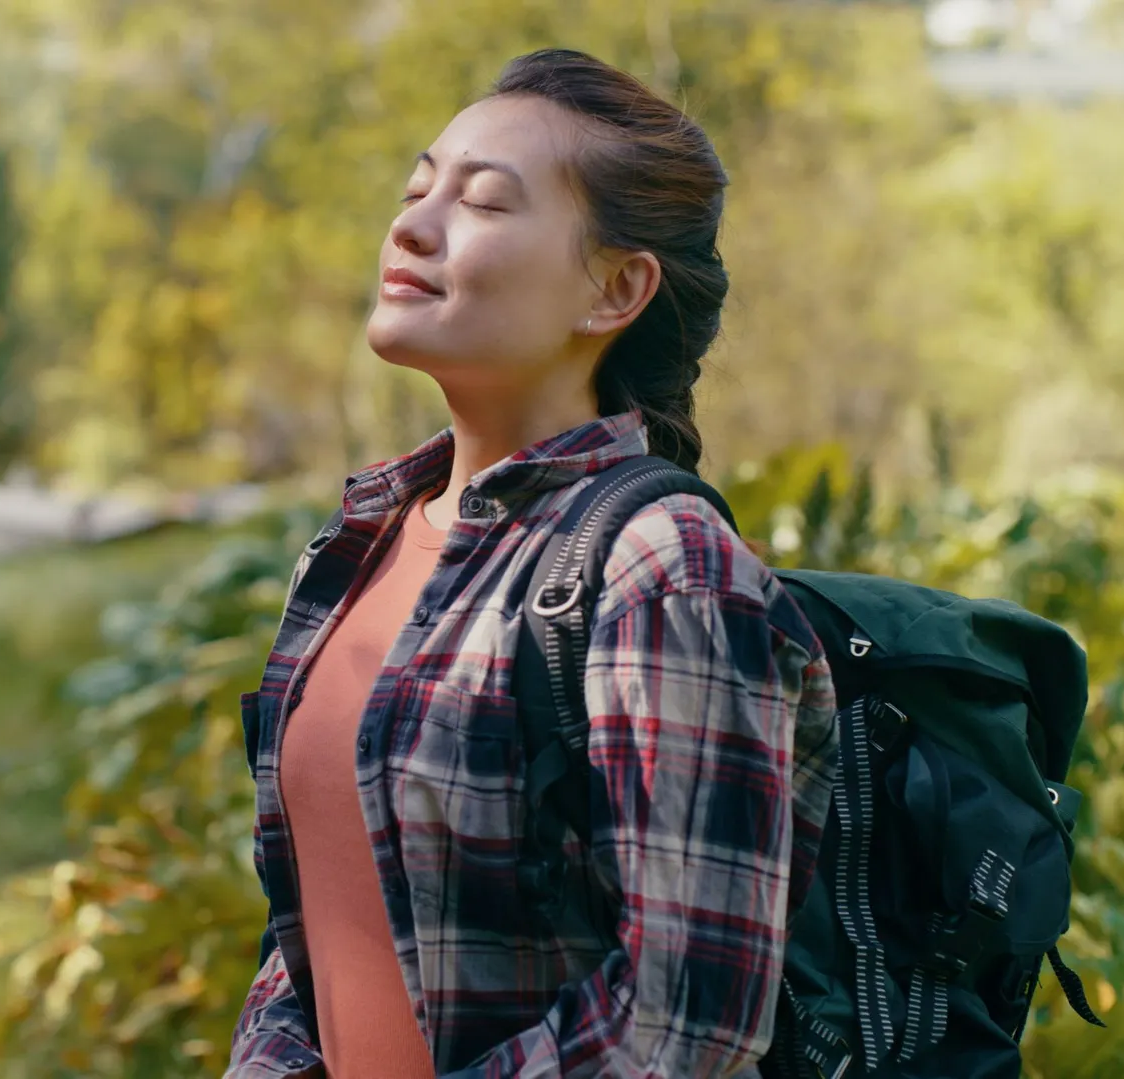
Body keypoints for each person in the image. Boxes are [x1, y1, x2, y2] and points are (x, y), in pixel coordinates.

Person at [227, 49, 839, 1079]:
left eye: (483, 202)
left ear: (615, 289)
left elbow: (686, 1023)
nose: (413, 225)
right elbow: (317, 936)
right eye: (418, 187)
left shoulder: (664, 569)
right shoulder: (357, 545)